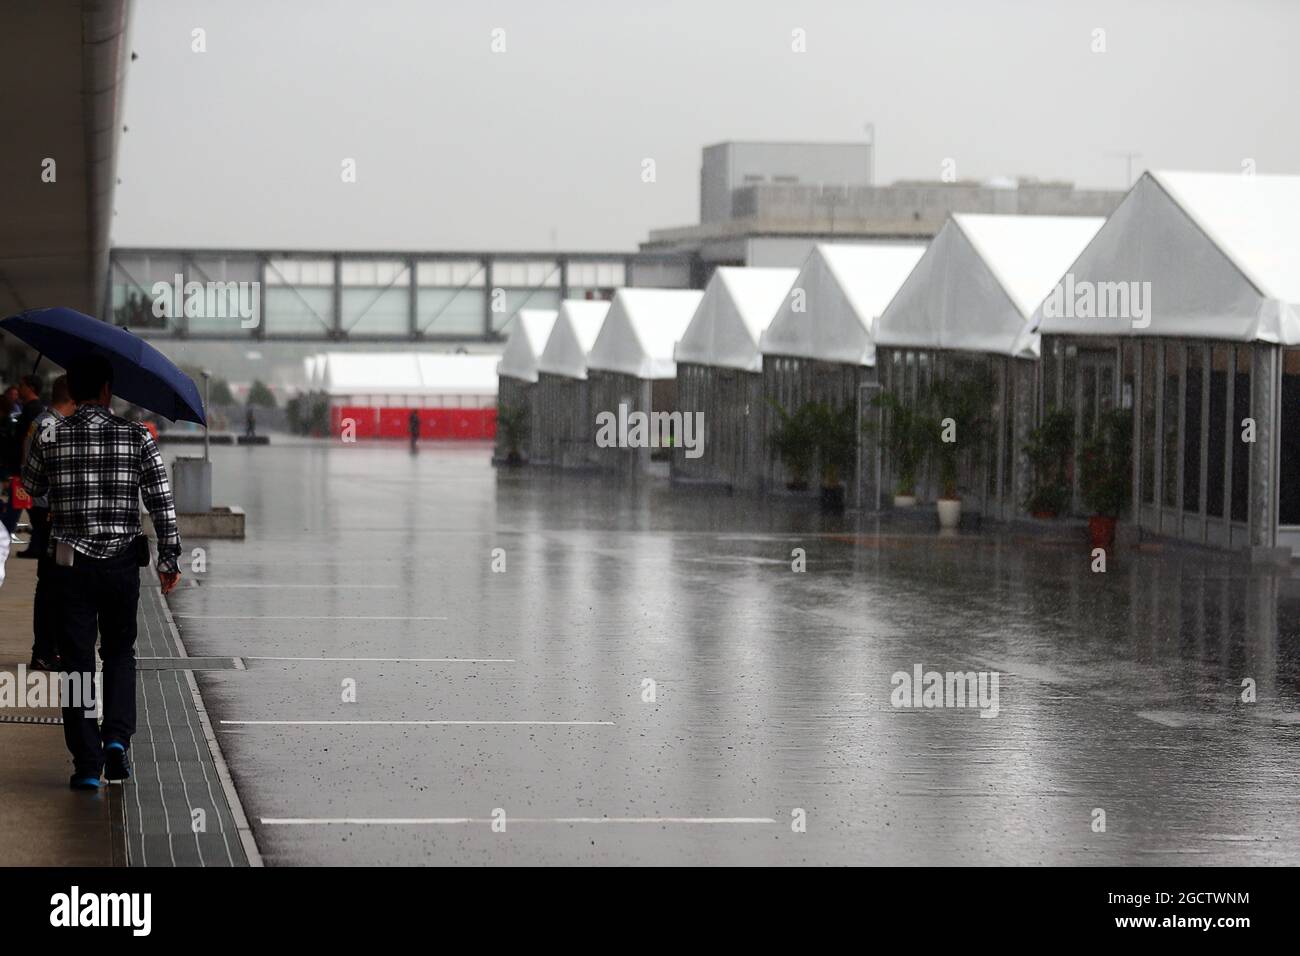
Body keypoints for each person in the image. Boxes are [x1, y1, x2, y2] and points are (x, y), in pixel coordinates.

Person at [22, 355, 182, 791]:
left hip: (69, 566)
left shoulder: (52, 435)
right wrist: (170, 559)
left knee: (76, 663)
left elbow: (31, 488)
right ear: (108, 390)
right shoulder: (137, 437)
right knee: (118, 652)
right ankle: (116, 740)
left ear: (71, 388)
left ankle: (87, 764)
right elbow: (161, 504)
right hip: (121, 565)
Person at [22, 375, 75, 669]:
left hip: (43, 510)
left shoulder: (41, 421)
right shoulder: (52, 427)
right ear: (72, 399)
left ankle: (45, 649)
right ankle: (45, 650)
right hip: (49, 512)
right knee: (54, 585)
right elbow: (43, 477)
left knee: (49, 584)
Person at [14, 374, 48, 561]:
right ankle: (36, 545)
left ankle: (37, 545)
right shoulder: (28, 408)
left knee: (34, 509)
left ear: (31, 388)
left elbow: (29, 441)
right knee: (30, 509)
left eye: (22, 385)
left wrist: (24, 465)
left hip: (27, 468)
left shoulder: (35, 411)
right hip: (23, 467)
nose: (19, 388)